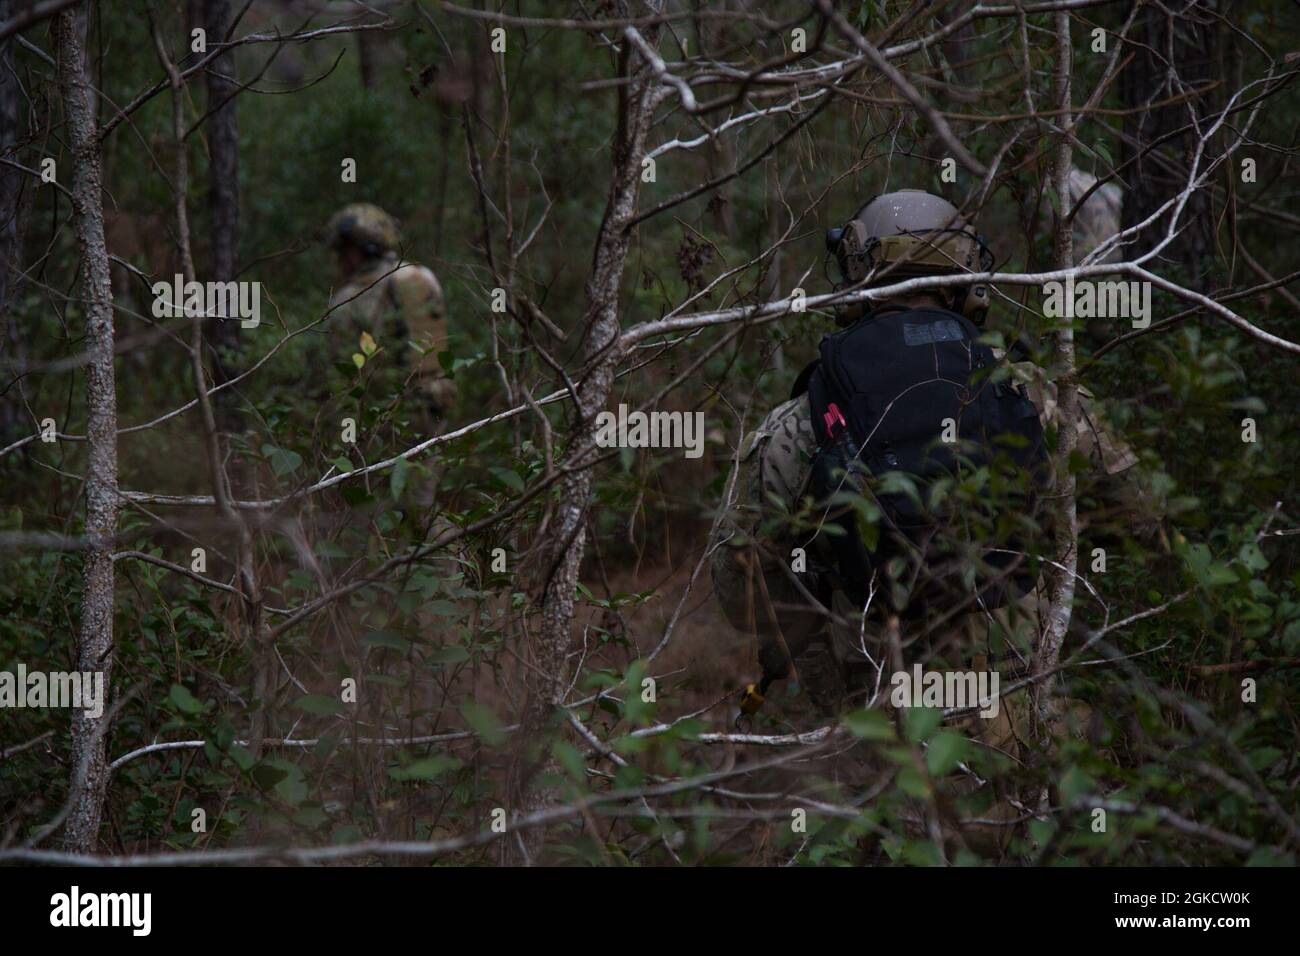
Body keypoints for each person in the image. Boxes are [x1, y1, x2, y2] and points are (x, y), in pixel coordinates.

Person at [711, 190, 1157, 721]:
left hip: (870, 730)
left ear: (856, 282)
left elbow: (739, 590)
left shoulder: (801, 422)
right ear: (968, 280)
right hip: (1014, 718)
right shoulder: (1033, 395)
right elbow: (1143, 519)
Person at [325, 203, 455, 423]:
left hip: (381, 415)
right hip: (433, 407)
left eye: (342, 250)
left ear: (357, 249)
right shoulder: (421, 275)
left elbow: (335, 370)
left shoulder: (350, 297)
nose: (339, 259)